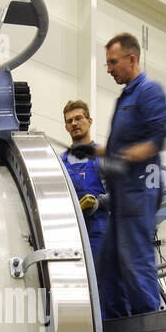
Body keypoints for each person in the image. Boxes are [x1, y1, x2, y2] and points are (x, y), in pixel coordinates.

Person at [71, 33, 166, 319]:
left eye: (113, 62)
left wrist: (121, 162)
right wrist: (93, 152)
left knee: (135, 261)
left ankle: (149, 328)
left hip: (140, 193)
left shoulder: (148, 92)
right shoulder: (127, 96)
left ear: (132, 59)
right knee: (109, 270)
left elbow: (157, 140)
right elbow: (119, 146)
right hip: (122, 200)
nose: (109, 69)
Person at [59, 100, 109, 266]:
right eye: (69, 121)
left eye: (78, 118)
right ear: (66, 127)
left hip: (100, 233)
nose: (74, 123)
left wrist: (98, 203)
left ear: (89, 121)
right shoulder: (59, 162)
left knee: (102, 284)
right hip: (70, 234)